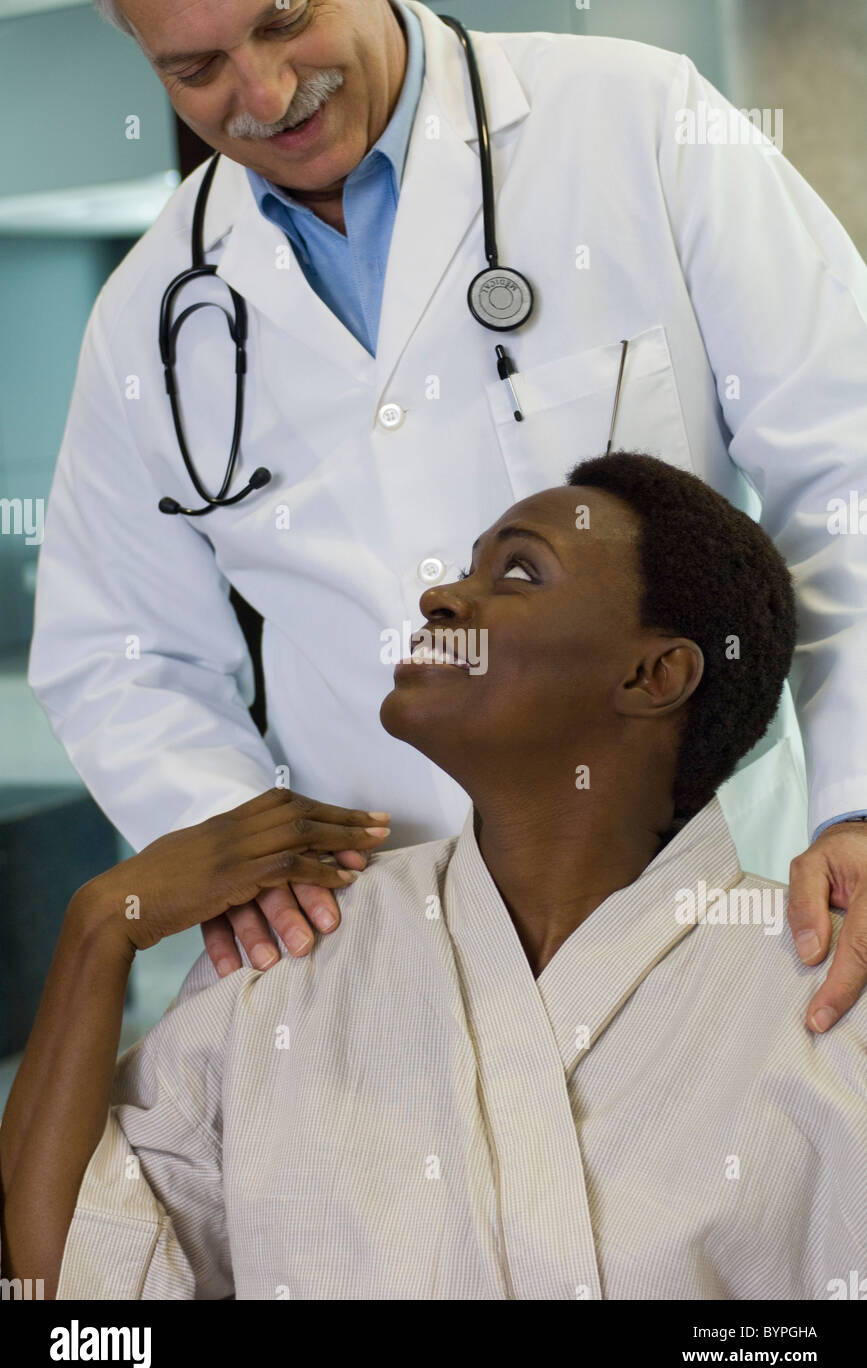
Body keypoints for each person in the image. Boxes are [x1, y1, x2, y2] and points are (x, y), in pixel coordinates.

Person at [27, 0, 867, 1028]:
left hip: (721, 886)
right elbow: (115, 648)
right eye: (197, 68)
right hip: (373, 935)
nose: (269, 94)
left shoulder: (636, 126)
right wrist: (224, 826)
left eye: (286, 20)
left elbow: (844, 473)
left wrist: (857, 796)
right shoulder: (149, 313)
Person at [3, 453, 865, 1300]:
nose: (438, 596)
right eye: (464, 568)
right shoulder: (293, 963)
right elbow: (74, 1296)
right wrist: (100, 928)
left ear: (653, 674)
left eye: (520, 571)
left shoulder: (817, 996)